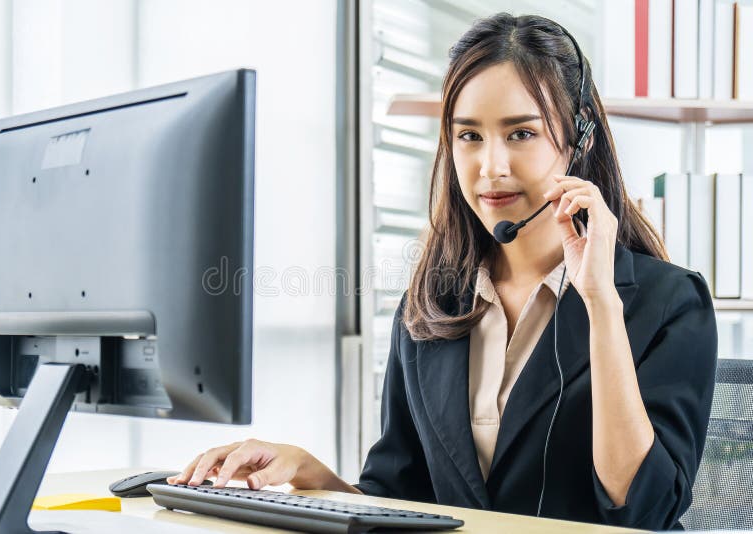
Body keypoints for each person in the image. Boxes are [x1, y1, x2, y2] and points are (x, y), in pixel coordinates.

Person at [167, 13, 718, 530]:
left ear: (580, 141)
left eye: (521, 133)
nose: (491, 167)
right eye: (469, 136)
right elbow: (397, 500)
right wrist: (312, 475)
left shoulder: (667, 303)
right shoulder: (431, 306)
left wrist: (599, 301)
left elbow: (644, 509)